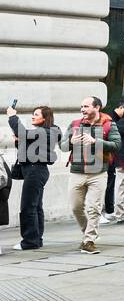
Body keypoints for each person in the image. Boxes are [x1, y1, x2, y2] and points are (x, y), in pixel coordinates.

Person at [59, 97, 122, 255]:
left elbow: (117, 145)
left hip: (98, 173)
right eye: (81, 106)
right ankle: (88, 232)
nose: (82, 109)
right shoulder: (74, 125)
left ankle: (89, 241)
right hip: (77, 172)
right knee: (75, 207)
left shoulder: (109, 124)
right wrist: (71, 142)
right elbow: (63, 146)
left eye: (86, 106)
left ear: (97, 107)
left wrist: (96, 141)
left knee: (94, 208)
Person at [6, 104, 60, 250]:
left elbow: (22, 132)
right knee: (35, 207)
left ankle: (29, 241)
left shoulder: (48, 132)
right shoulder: (40, 133)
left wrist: (12, 116)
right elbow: (28, 146)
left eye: (36, 114)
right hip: (33, 170)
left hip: (36, 171)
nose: (33, 116)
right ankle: (35, 239)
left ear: (45, 118)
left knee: (28, 207)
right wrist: (19, 141)